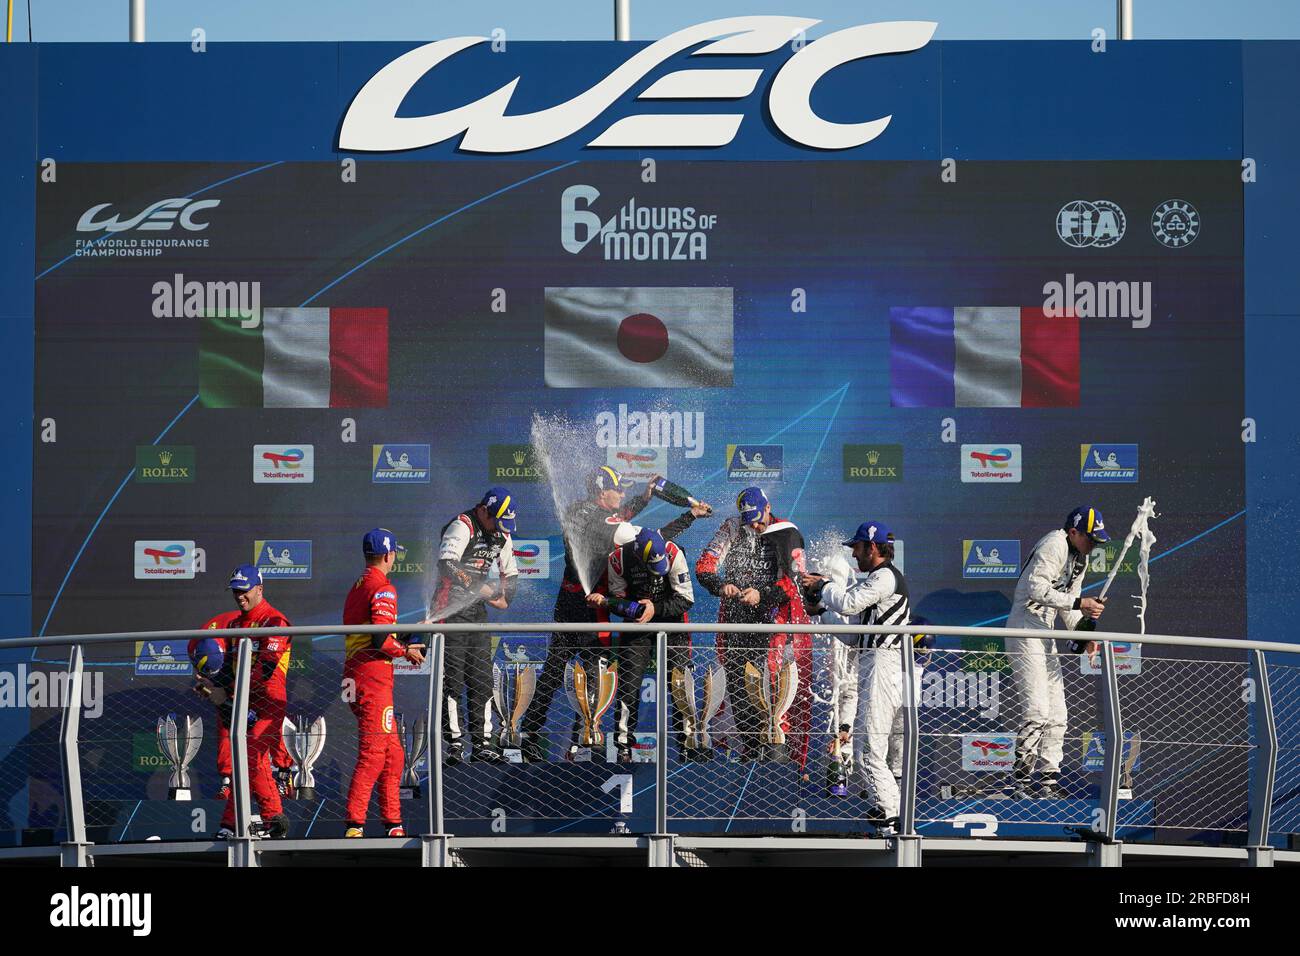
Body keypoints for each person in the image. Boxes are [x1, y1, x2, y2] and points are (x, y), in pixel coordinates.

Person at [520, 466, 709, 762]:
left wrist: (644, 498)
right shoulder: (608, 524)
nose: (622, 494)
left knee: (561, 671)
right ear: (600, 491)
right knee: (591, 673)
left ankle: (539, 736)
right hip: (591, 604)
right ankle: (582, 740)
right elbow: (651, 541)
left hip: (571, 600)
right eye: (617, 489)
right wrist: (690, 516)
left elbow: (617, 519)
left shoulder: (578, 510)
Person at [801, 521, 910, 830]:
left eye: (857, 548)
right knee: (867, 750)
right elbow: (852, 636)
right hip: (874, 662)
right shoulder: (878, 578)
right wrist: (821, 610)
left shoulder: (886, 576)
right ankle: (889, 814)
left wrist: (822, 585)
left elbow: (849, 603)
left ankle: (891, 816)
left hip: (884, 664)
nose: (853, 556)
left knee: (870, 750)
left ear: (872, 547)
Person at [695, 487, 811, 764]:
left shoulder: (786, 532)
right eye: (750, 521)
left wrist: (762, 595)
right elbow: (704, 567)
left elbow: (793, 583)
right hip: (735, 615)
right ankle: (749, 746)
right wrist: (721, 585)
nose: (755, 526)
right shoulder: (733, 527)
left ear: (768, 507)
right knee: (737, 679)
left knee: (769, 679)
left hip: (770, 616)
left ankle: (775, 744)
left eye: (759, 519)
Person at [1006, 506, 1108, 798]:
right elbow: (1036, 590)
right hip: (1024, 626)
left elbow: (1069, 606)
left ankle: (1048, 781)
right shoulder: (1054, 544)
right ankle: (1021, 782)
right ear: (1074, 532)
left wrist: (1084, 634)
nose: (1093, 546)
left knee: (1058, 714)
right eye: (1091, 539)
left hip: (1046, 629)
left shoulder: (1080, 560)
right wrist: (1080, 604)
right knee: (1037, 710)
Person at [586, 526, 696, 763]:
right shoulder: (618, 559)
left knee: (679, 685)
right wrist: (611, 603)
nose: (657, 574)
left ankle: (688, 745)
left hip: (672, 624)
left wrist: (656, 609)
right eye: (652, 569)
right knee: (628, 685)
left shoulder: (674, 552)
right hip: (636, 625)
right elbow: (619, 599)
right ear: (638, 556)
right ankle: (623, 746)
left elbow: (686, 599)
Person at [343, 528, 426, 837]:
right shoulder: (384, 587)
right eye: (395, 555)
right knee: (374, 752)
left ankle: (393, 824)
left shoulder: (357, 586)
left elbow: (373, 632)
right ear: (389, 555)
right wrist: (406, 651)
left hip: (355, 673)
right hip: (372, 679)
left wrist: (405, 634)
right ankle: (355, 825)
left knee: (394, 754)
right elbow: (379, 640)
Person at [429, 487, 519, 764]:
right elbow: (446, 564)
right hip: (449, 609)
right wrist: (478, 586)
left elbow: (511, 572)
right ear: (484, 511)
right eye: (496, 522)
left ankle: (484, 744)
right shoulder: (462, 525)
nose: (499, 530)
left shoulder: (502, 534)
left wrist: (506, 597)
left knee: (481, 678)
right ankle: (455, 744)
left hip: (476, 613)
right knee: (453, 679)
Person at [212, 565, 292, 839]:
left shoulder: (276, 621)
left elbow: (267, 668)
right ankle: (231, 824)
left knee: (251, 758)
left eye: (244, 590)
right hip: (242, 699)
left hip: (269, 702)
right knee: (243, 762)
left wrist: (233, 691)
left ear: (260, 589)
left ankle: (272, 820)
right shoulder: (234, 624)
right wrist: (214, 685)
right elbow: (227, 668)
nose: (239, 596)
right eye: (235, 591)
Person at [189, 609, 297, 802]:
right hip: (226, 667)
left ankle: (283, 773)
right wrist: (210, 687)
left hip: (250, 661)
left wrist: (236, 687)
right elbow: (201, 676)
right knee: (225, 717)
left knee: (266, 718)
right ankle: (228, 780)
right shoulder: (194, 646)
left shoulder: (235, 630)